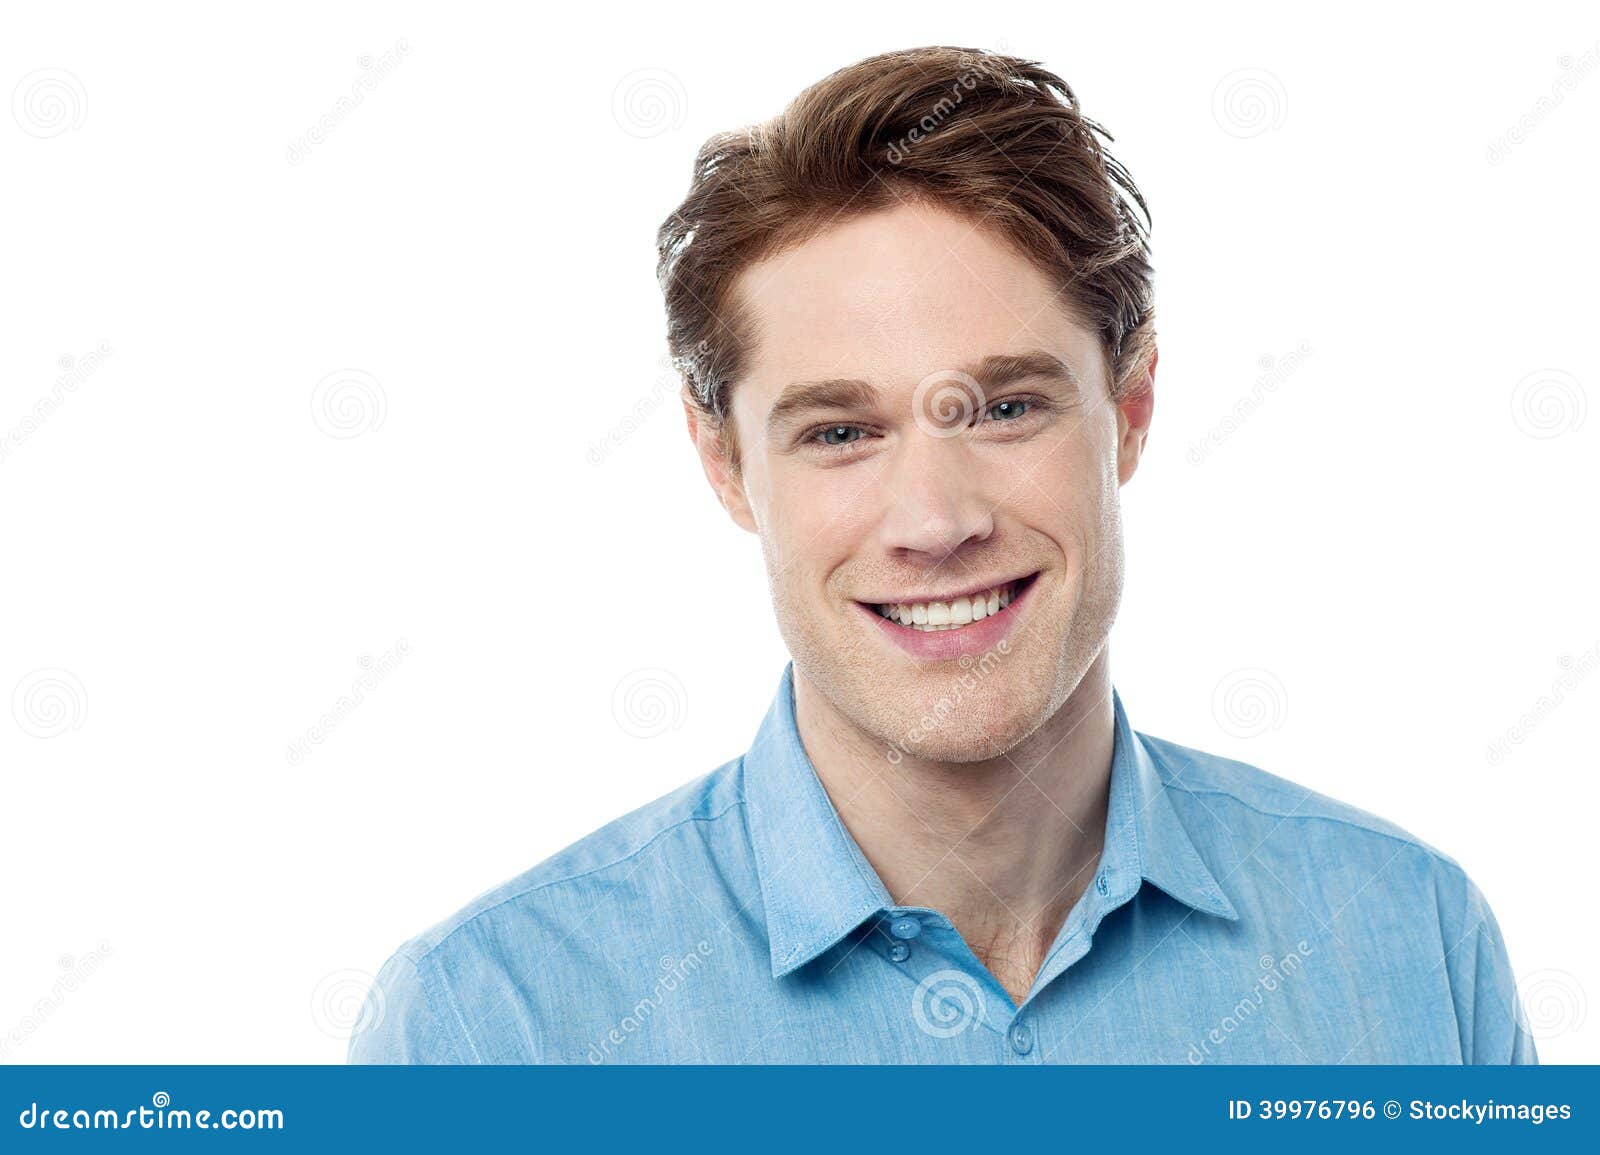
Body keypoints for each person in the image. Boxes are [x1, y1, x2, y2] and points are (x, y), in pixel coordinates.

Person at [349, 45, 1535, 1064]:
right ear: (722, 464)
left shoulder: (1411, 946)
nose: (935, 519)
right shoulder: (492, 1022)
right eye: (841, 432)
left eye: (1008, 408)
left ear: (1129, 410)